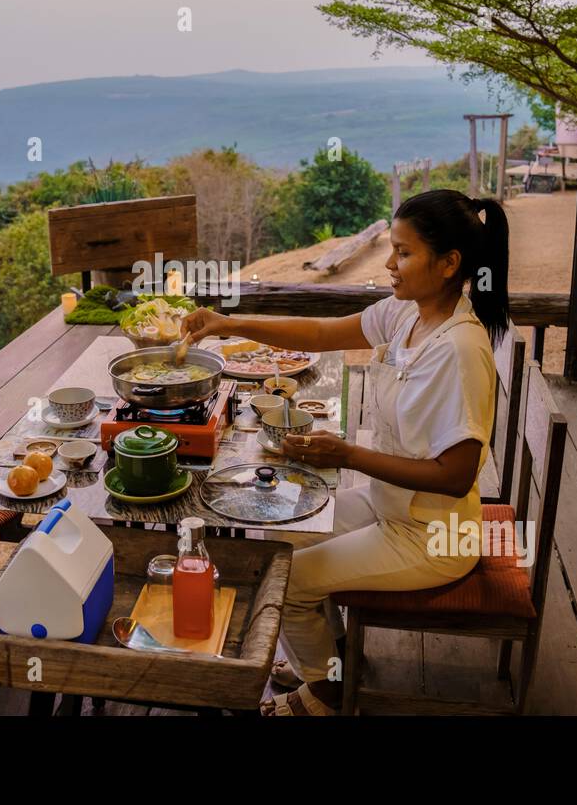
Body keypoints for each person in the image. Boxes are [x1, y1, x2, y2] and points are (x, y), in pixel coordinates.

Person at [179, 189, 511, 715]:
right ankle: (331, 660)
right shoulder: (408, 317)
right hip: (390, 507)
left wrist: (346, 455)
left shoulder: (459, 351)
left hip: (434, 536)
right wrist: (227, 323)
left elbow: (456, 474)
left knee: (285, 582)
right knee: (279, 535)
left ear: (449, 264)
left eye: (403, 252)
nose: (390, 263)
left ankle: (330, 693)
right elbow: (322, 331)